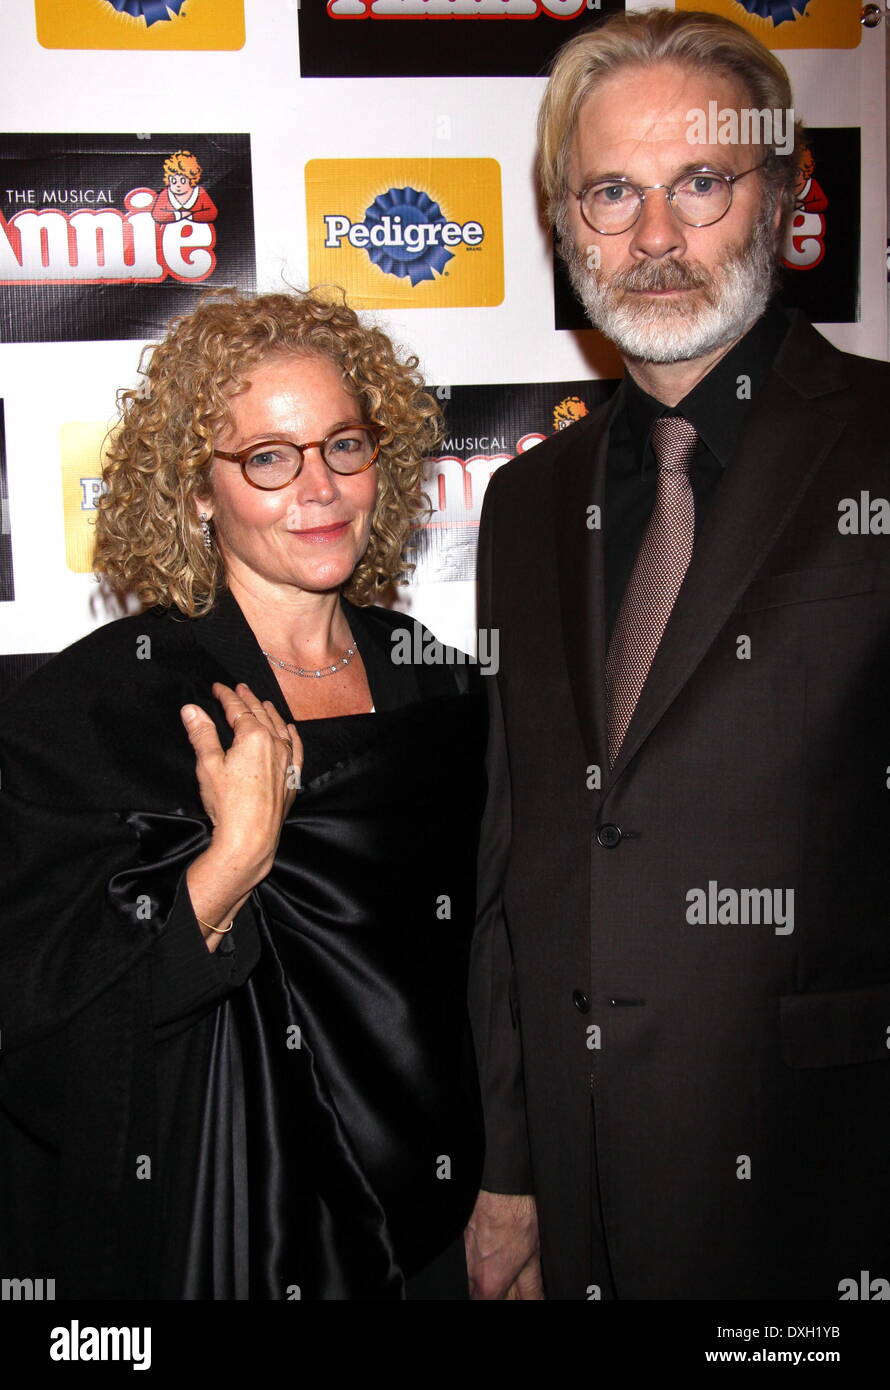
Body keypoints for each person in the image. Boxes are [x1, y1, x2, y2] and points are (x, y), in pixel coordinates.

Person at [465, 8, 890, 1301]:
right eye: (610, 191)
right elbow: (514, 847)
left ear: (781, 196)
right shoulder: (526, 503)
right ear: (560, 221)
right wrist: (509, 1166)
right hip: (585, 1201)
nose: (652, 238)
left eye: (698, 182)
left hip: (835, 1185)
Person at [0, 288, 485, 1300]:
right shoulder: (100, 706)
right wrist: (229, 866)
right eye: (269, 457)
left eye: (342, 446)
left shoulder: (437, 681)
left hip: (428, 1222)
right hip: (207, 1226)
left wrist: (504, 1185)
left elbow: (486, 962)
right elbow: (42, 1024)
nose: (319, 488)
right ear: (195, 492)